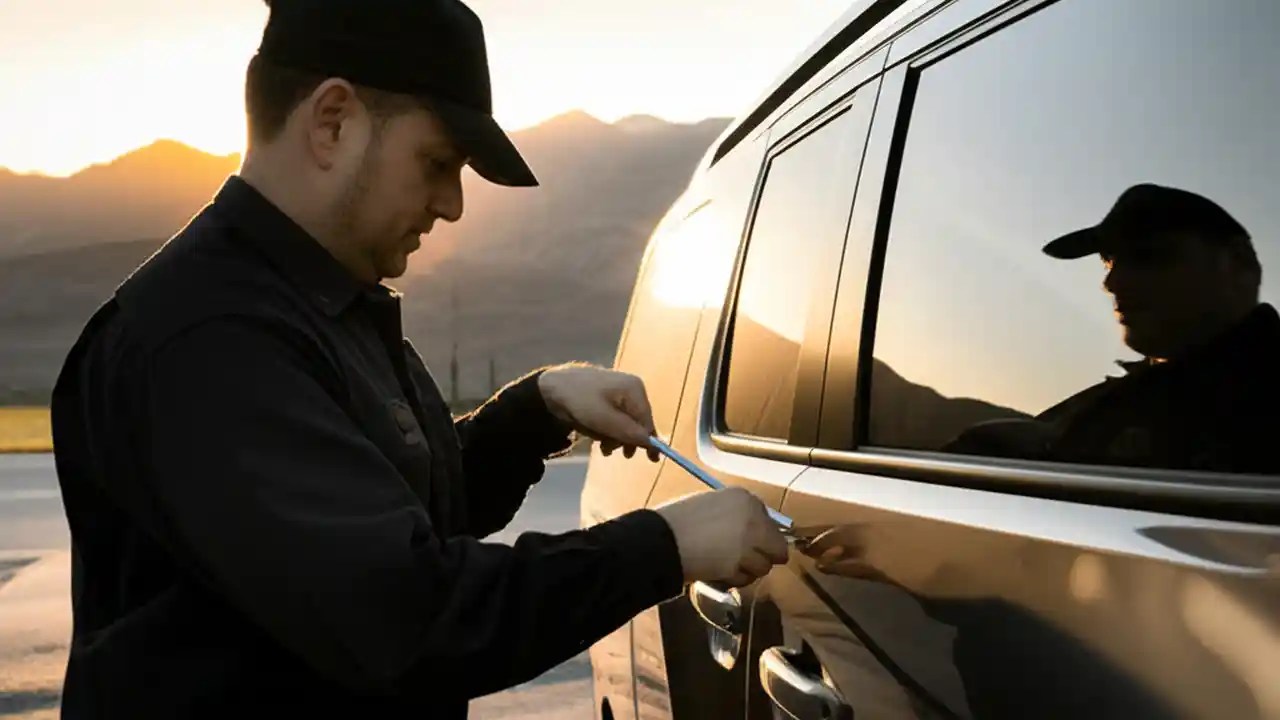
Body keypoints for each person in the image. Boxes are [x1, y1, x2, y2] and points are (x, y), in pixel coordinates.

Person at [48, 1, 790, 717]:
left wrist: (536, 412)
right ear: (332, 123)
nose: (453, 203)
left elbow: (397, 516)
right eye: (438, 162)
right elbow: (403, 613)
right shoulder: (207, 341)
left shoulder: (319, 305)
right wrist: (665, 546)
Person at [948, 183, 1280, 473]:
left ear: (1239, 264)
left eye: (1147, 256)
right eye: (1109, 260)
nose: (1111, 282)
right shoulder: (1146, 392)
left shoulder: (1252, 401)